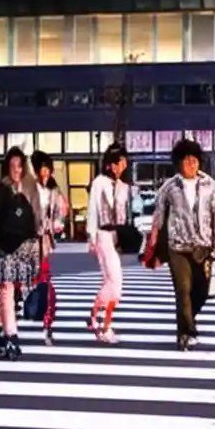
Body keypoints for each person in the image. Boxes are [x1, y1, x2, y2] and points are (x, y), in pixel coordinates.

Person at [143, 138, 215, 352]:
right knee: (183, 290)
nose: (191, 163)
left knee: (202, 291)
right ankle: (185, 334)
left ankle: (188, 321)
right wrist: (152, 244)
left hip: (203, 245)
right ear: (179, 162)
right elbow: (158, 216)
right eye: (187, 159)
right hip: (177, 246)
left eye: (195, 159)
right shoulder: (169, 188)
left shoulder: (210, 185)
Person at [0, 147, 44, 361]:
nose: (15, 170)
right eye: (11, 166)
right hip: (4, 246)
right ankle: (12, 337)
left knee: (19, 293)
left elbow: (38, 218)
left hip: (26, 245)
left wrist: (41, 249)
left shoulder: (32, 187)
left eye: (19, 166)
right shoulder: (1, 188)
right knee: (7, 289)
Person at [87, 144, 130, 344]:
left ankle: (100, 321)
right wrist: (91, 237)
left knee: (112, 282)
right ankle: (99, 320)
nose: (123, 165)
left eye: (124, 161)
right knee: (115, 283)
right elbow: (93, 211)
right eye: (120, 161)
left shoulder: (123, 186)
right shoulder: (99, 183)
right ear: (111, 165)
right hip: (102, 234)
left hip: (116, 235)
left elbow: (125, 214)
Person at [32, 150, 65, 345]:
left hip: (44, 239)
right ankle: (2, 324)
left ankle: (47, 324)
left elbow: (59, 212)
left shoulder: (53, 191)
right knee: (19, 286)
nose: (45, 172)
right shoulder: (30, 188)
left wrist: (57, 224)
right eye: (42, 168)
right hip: (28, 240)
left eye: (48, 168)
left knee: (45, 282)